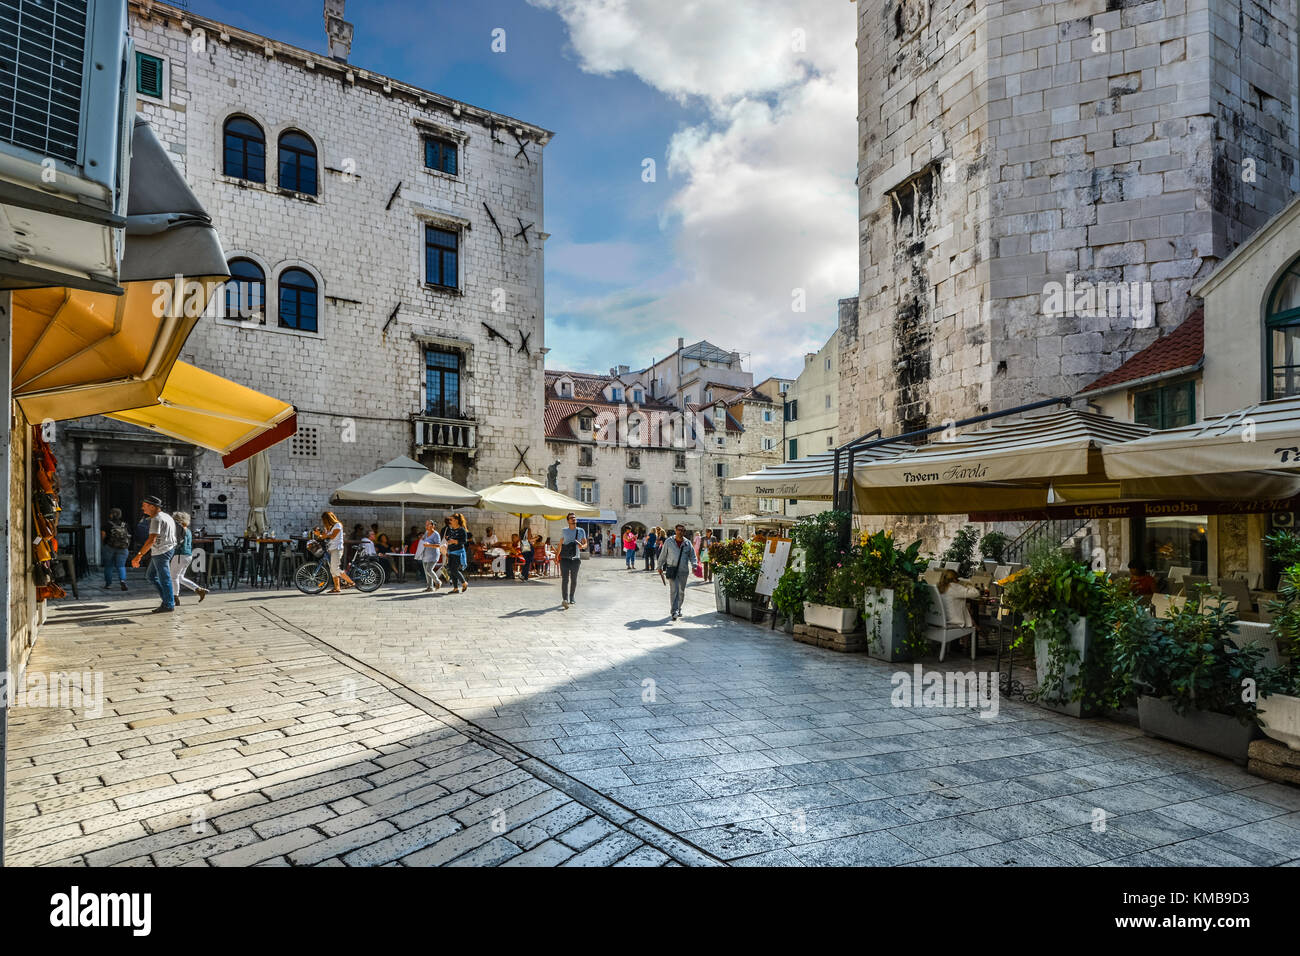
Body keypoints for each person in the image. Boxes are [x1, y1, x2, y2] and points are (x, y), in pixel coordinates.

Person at [130, 496, 177, 613]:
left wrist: (138, 556)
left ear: (152, 507)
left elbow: (151, 540)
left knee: (164, 579)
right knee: (151, 576)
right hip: (167, 549)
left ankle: (169, 604)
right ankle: (167, 599)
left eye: (144, 506)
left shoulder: (156, 519)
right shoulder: (167, 516)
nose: (142, 508)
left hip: (161, 551)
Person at [658, 524, 698, 621]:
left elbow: (693, 555)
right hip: (672, 569)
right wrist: (659, 566)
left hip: (683, 571)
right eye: (678, 530)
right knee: (674, 590)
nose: (680, 532)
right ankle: (674, 611)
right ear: (675, 530)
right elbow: (663, 554)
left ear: (684, 532)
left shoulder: (687, 543)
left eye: (682, 530)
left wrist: (694, 565)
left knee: (681, 591)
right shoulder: (669, 541)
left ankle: (679, 608)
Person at [169, 511, 208, 603]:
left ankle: (175, 598)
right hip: (188, 555)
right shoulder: (189, 530)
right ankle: (199, 590)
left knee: (173, 577)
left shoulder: (179, 529)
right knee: (180, 577)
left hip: (179, 555)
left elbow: (177, 543)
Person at [319, 510, 353, 593]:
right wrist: (319, 534)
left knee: (335, 568)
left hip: (337, 549)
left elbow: (333, 535)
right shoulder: (330, 527)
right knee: (332, 570)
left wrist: (324, 535)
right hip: (332, 548)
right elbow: (325, 535)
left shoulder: (338, 525)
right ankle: (337, 588)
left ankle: (350, 582)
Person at [559, 512, 587, 609]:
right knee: (565, 579)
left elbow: (585, 543)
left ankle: (572, 597)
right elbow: (560, 543)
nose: (573, 519)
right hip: (564, 558)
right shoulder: (564, 531)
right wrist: (556, 555)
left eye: (574, 518)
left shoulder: (581, 530)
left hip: (576, 559)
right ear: (568, 521)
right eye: (571, 518)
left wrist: (582, 546)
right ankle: (565, 599)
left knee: (574, 580)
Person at [100, 507, 131, 591]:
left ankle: (108, 584)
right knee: (121, 566)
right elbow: (129, 536)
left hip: (109, 547)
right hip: (123, 548)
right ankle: (122, 580)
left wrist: (104, 544)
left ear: (111, 515)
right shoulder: (125, 524)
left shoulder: (106, 524)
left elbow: (103, 536)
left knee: (108, 566)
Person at [444, 513, 470, 593]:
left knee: (454, 570)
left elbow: (464, 541)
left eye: (451, 519)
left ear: (456, 520)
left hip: (458, 553)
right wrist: (447, 540)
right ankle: (455, 588)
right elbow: (449, 540)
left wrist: (455, 541)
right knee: (451, 571)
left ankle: (464, 582)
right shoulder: (451, 530)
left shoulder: (462, 530)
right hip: (451, 552)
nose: (449, 521)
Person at [417, 519, 443, 592]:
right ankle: (430, 587)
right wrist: (422, 539)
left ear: (433, 526)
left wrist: (429, 545)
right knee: (426, 572)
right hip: (425, 555)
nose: (426, 526)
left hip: (433, 555)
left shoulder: (436, 534)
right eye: (426, 524)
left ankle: (438, 582)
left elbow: (438, 545)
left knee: (429, 569)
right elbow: (424, 540)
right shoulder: (426, 532)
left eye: (428, 524)